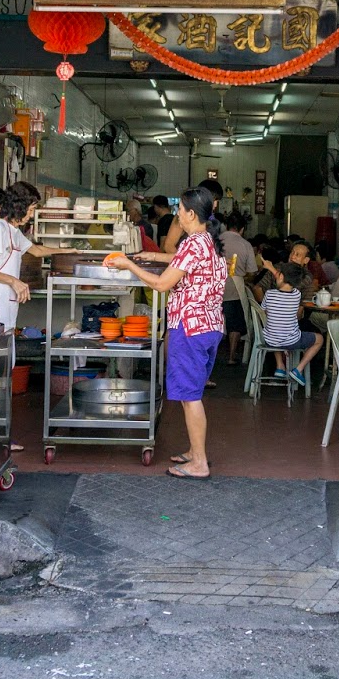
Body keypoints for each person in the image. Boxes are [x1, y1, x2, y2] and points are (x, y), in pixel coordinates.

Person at [110, 186, 226, 480]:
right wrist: (143, 255)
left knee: (190, 396)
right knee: (194, 392)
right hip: (210, 326)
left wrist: (128, 264)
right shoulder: (208, 242)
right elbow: (178, 266)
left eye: (180, 211)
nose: (177, 216)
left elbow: (162, 284)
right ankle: (194, 450)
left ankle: (199, 462)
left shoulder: (192, 244)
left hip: (190, 327)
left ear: (190, 213)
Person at [0, 182, 73, 332]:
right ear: (19, 207)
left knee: (5, 344)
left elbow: (36, 250)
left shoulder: (15, 232)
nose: (31, 215)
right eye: (30, 210)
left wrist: (67, 251)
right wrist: (13, 281)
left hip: (5, 300)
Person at [260, 261, 323, 390]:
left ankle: (279, 366)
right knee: (319, 339)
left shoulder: (269, 294)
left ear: (281, 276)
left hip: (270, 339)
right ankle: (298, 369)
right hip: (291, 340)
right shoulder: (296, 295)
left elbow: (264, 311)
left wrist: (272, 269)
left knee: (275, 331)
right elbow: (285, 280)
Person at [219, 212, 256, 363]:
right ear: (242, 229)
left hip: (213, 285)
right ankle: (232, 356)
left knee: (212, 321)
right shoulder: (245, 244)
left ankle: (209, 356)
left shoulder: (215, 240)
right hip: (235, 286)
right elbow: (252, 272)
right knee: (235, 323)